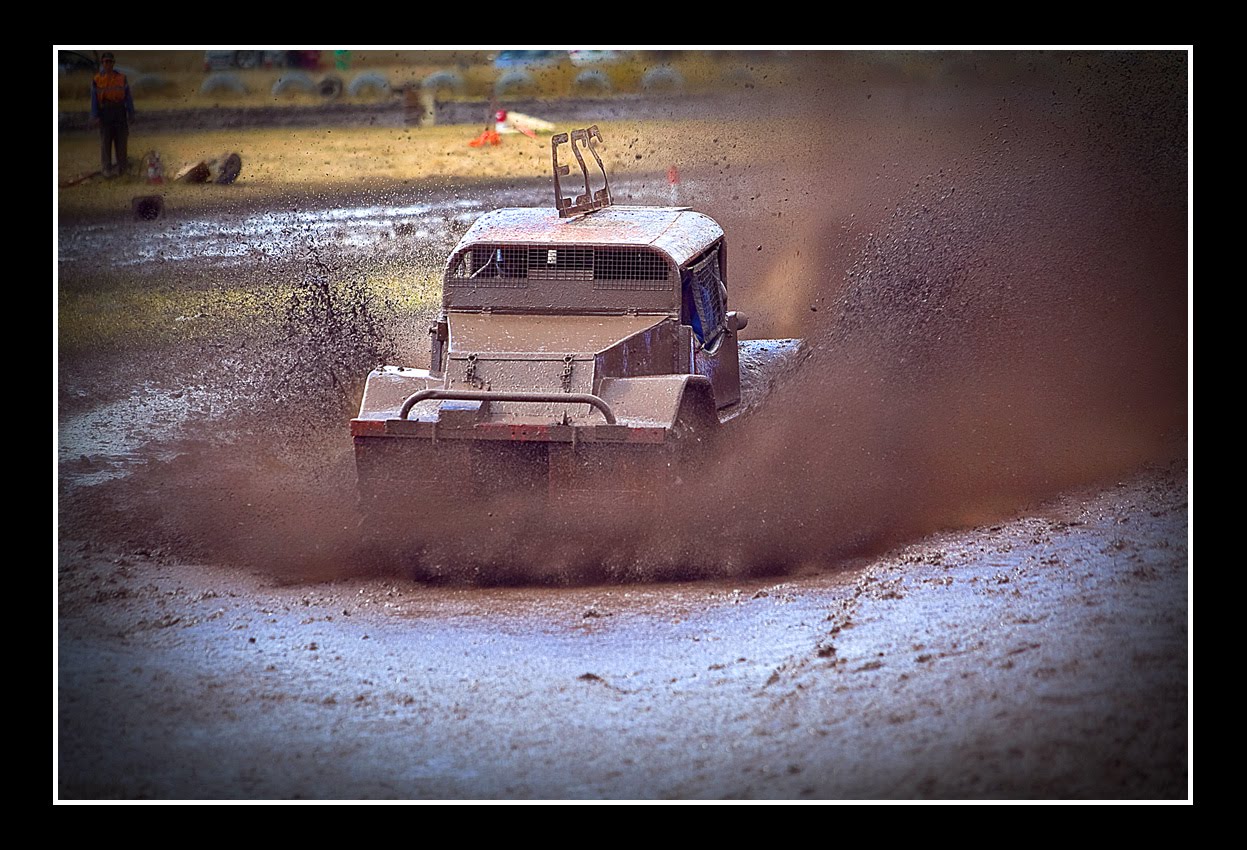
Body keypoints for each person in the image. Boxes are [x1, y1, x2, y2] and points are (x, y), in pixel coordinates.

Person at [89, 52, 134, 177]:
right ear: (102, 63)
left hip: (119, 112)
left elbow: (128, 98)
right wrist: (95, 116)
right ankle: (106, 170)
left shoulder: (121, 78)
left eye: (110, 62)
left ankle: (123, 170)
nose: (107, 64)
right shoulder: (97, 79)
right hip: (105, 112)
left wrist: (131, 113)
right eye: (105, 62)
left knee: (121, 142)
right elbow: (94, 99)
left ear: (113, 63)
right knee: (105, 142)